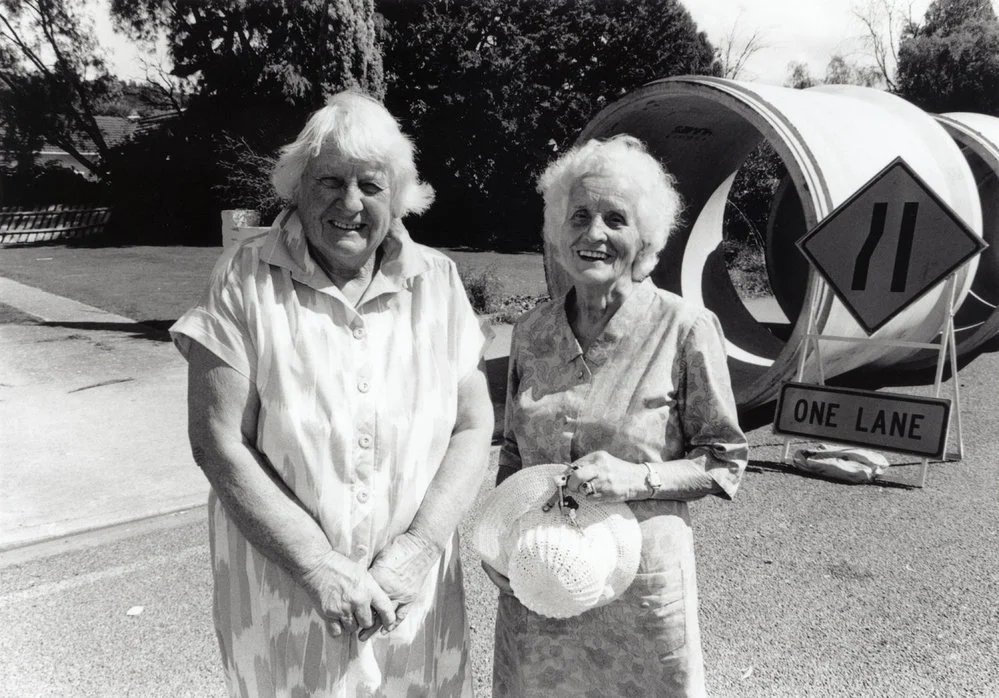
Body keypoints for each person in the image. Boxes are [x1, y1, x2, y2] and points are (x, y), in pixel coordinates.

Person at [170, 91, 493, 697]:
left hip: (411, 600)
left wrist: (420, 547)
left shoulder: (438, 281)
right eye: (329, 181)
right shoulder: (244, 278)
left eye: (371, 185)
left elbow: (473, 426)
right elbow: (217, 439)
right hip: (289, 601)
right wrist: (318, 566)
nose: (350, 203)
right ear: (297, 187)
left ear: (397, 197)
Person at [486, 134, 749, 697]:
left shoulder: (684, 329)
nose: (595, 234)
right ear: (559, 231)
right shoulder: (531, 332)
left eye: (616, 219)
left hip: (638, 598)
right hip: (542, 583)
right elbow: (512, 453)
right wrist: (499, 539)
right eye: (579, 216)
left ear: (645, 237)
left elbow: (725, 459)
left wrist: (638, 478)